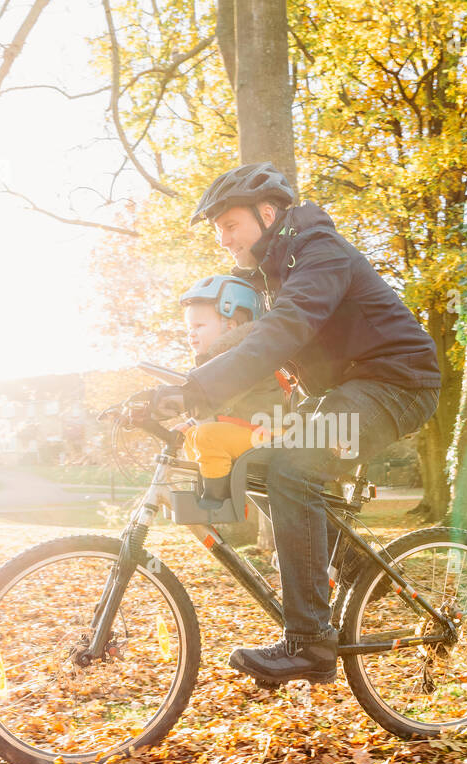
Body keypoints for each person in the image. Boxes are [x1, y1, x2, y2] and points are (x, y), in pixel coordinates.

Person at [149, 162, 441, 685]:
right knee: (258, 460)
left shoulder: (319, 253)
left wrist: (193, 390)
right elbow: (241, 339)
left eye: (230, 226)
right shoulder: (267, 274)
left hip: (398, 383)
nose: (223, 239)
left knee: (292, 467)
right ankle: (352, 567)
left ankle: (308, 643)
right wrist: (175, 391)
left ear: (267, 213)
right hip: (343, 393)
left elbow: (283, 331)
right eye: (218, 231)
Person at [177, 274, 290, 508]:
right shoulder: (220, 361)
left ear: (231, 325)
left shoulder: (245, 359)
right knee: (193, 437)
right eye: (189, 327)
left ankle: (218, 501)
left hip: (269, 435)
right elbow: (220, 407)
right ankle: (214, 489)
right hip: (247, 432)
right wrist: (189, 424)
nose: (191, 333)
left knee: (207, 436)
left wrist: (177, 402)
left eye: (199, 326)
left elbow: (217, 399)